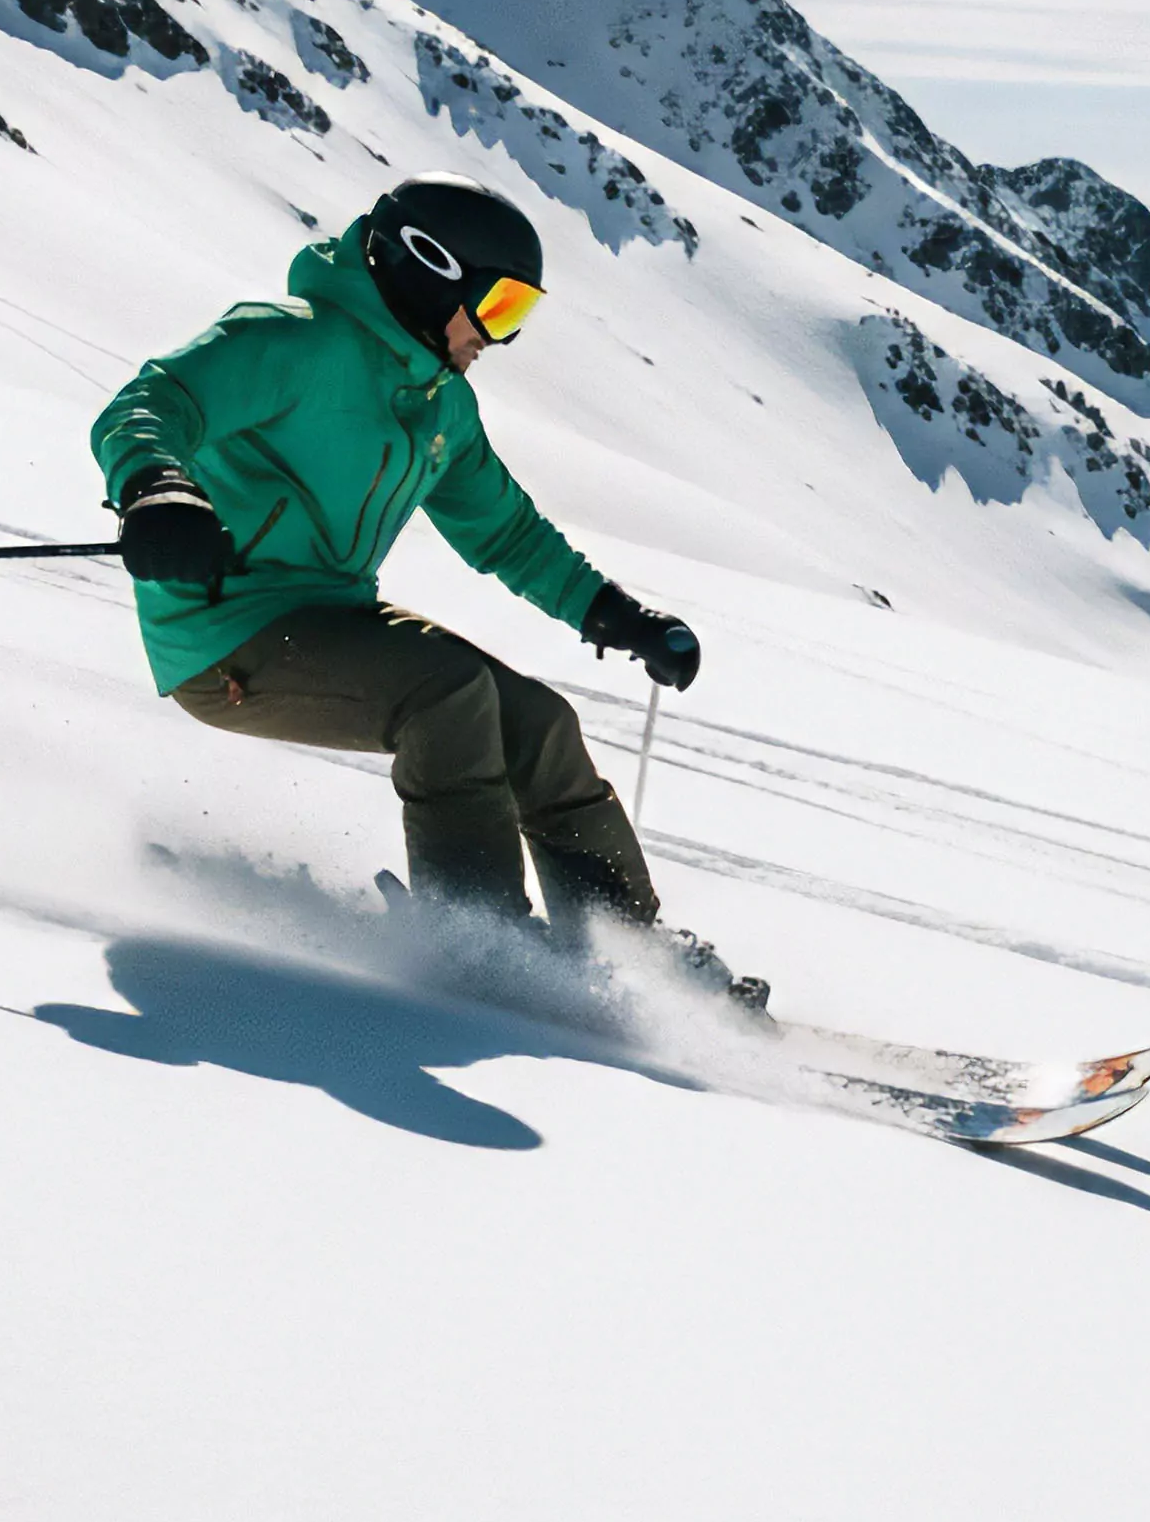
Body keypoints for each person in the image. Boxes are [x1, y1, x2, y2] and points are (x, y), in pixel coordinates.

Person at [91, 172, 759, 1003]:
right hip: (226, 630)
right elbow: (150, 405)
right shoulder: (291, 342)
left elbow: (505, 531)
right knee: (448, 694)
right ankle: (479, 945)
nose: (500, 337)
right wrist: (157, 487)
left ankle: (629, 952)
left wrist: (615, 615)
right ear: (429, 269)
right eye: (500, 306)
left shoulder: (440, 406)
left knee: (539, 723)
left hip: (334, 619)